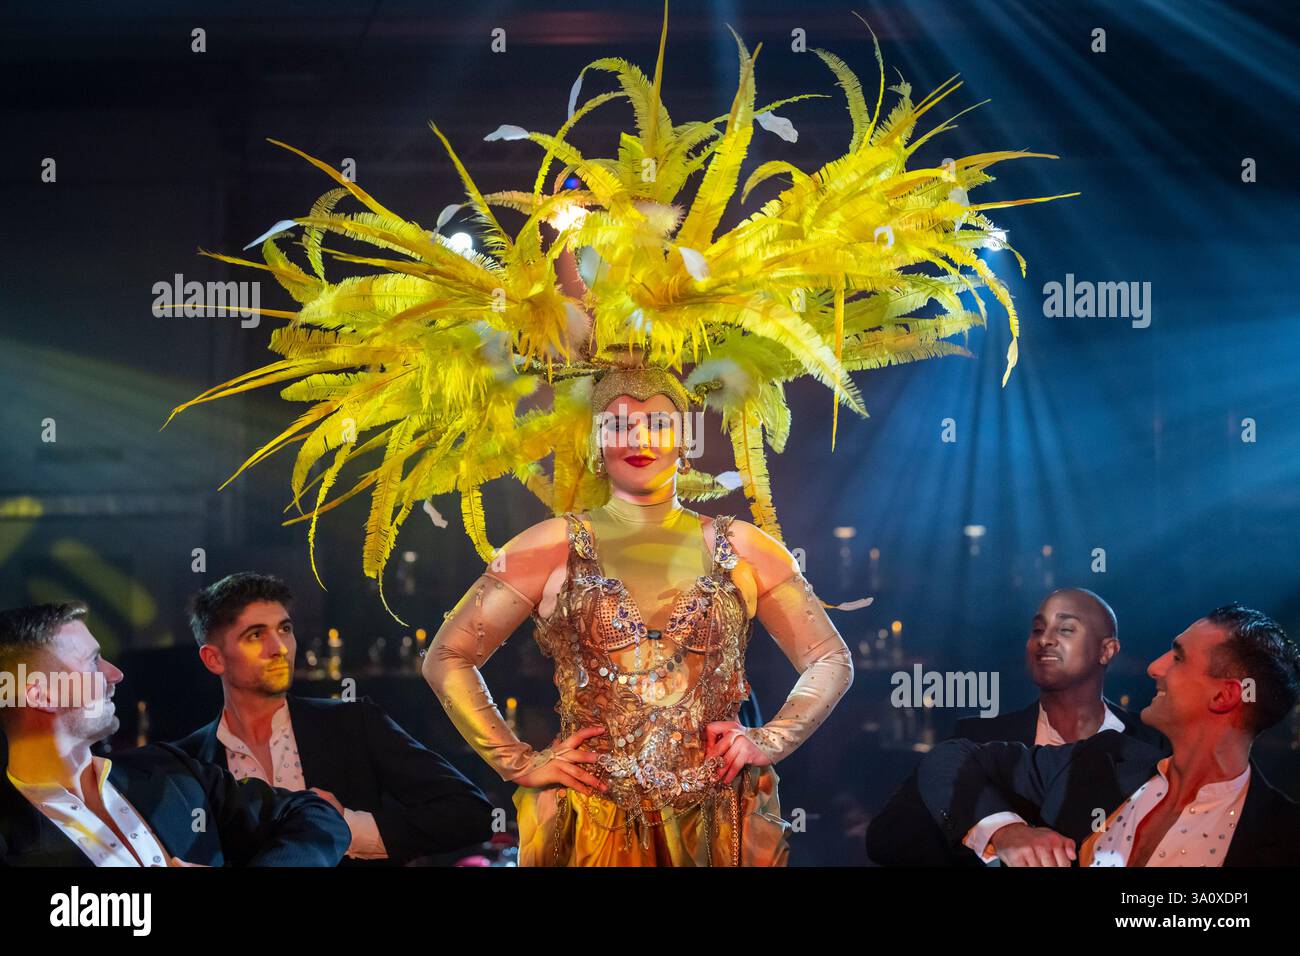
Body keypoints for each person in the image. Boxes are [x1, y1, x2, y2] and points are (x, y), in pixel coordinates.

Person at [424, 360, 855, 865]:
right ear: (596, 442)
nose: (638, 438)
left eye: (657, 423)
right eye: (618, 424)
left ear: (684, 440)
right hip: (591, 824)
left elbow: (830, 659)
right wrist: (517, 763)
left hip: (719, 819)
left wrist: (771, 739)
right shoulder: (552, 545)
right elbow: (448, 656)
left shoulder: (742, 546)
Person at [915, 603, 1300, 866]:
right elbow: (951, 758)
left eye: (1178, 657)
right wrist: (1006, 831)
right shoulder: (1101, 759)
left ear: (1225, 695)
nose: (1155, 667)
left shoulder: (1282, 837)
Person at [171, 572, 495, 866]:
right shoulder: (186, 763)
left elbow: (471, 813)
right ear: (214, 659)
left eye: (284, 629)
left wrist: (347, 827)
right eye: (256, 635)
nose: (280, 648)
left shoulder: (353, 723)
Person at [0, 602, 349, 866]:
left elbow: (316, 815)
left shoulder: (172, 771)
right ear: (41, 694)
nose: (115, 673)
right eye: (93, 662)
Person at [867, 587, 1165, 865]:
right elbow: (887, 837)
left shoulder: (1157, 744)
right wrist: (997, 834)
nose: (1044, 639)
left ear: (1107, 650)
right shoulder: (974, 740)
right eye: (1038, 629)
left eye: (1065, 629)